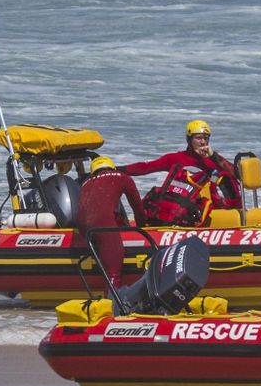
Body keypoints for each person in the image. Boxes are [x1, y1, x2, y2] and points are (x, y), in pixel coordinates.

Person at [120, 120, 242, 226]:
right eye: (198, 138)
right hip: (179, 210)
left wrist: (214, 156)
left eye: (206, 138)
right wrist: (116, 169)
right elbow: (146, 167)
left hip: (203, 210)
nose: (203, 142)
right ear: (189, 139)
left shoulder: (213, 161)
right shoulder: (175, 158)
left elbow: (237, 175)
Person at [76, 156, 149, 289]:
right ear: (112, 167)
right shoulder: (122, 177)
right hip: (101, 222)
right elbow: (137, 207)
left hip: (82, 224)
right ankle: (112, 304)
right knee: (114, 268)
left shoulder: (86, 183)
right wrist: (143, 227)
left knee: (104, 251)